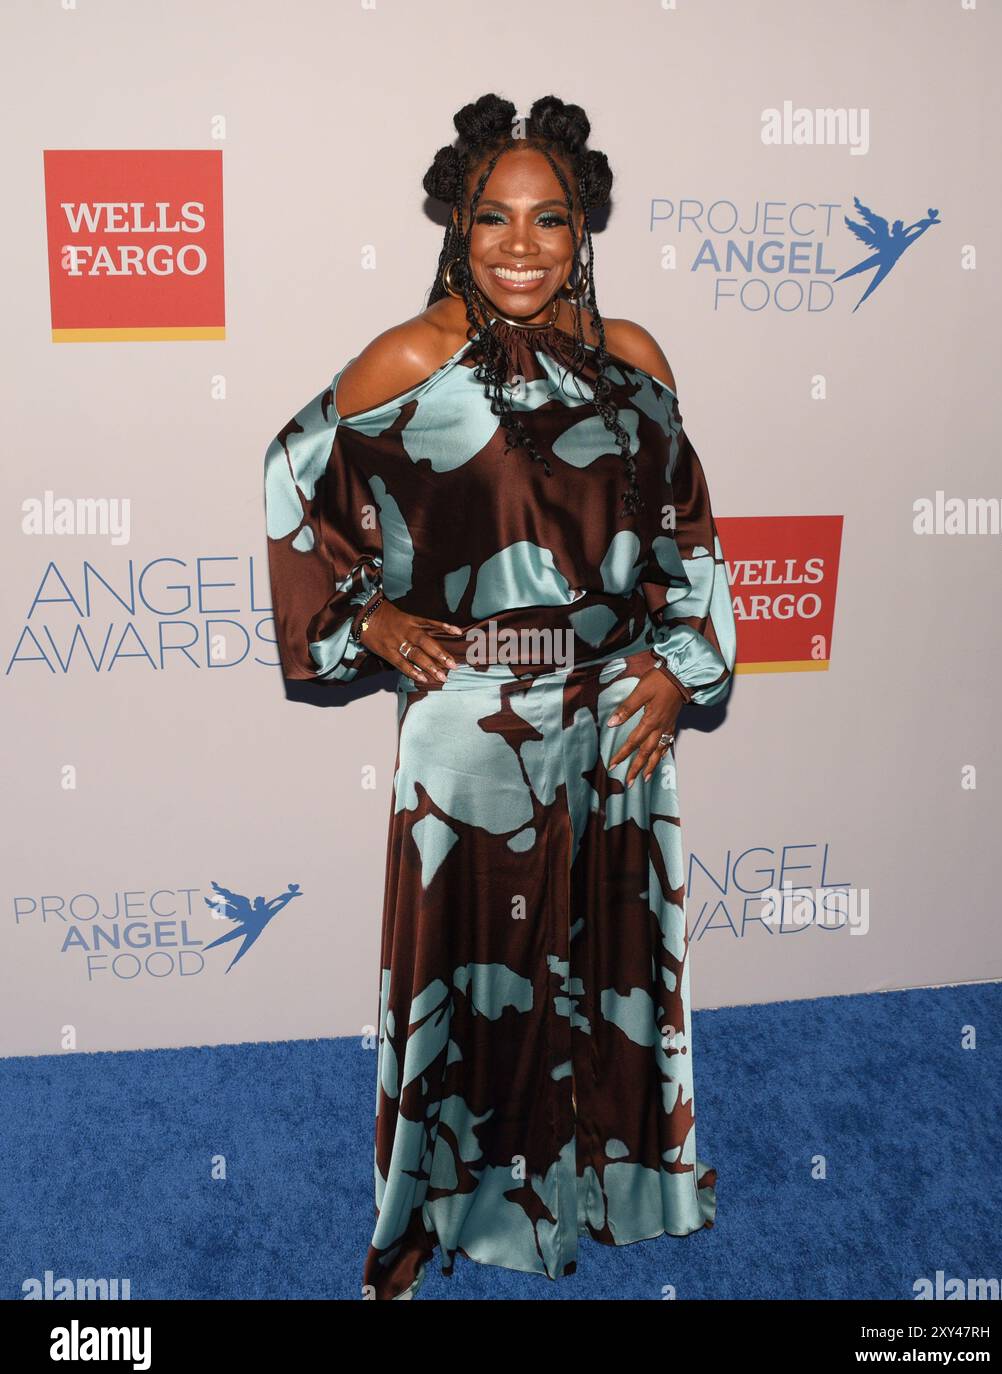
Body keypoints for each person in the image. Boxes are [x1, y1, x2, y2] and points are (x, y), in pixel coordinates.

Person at [263, 93, 737, 1300]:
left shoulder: (637, 360)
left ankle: (603, 1183)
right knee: (463, 985)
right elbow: (290, 472)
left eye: (549, 219)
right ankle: (437, 1218)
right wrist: (360, 613)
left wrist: (677, 673)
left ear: (583, 229)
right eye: (494, 217)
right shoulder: (414, 357)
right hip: (473, 728)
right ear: (456, 225)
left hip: (614, 723)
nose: (520, 244)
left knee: (608, 966)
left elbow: (686, 533)